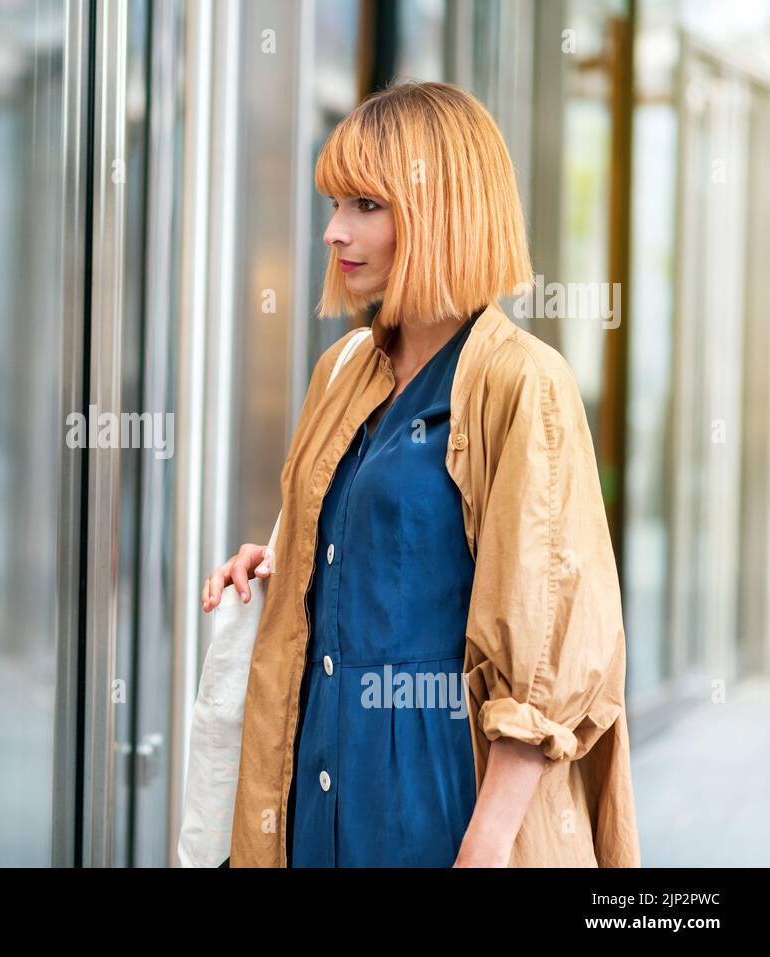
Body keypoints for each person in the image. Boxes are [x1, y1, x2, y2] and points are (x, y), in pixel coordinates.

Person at [201, 81, 641, 868]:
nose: (334, 232)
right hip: (318, 804)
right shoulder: (341, 369)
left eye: (366, 205)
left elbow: (545, 658)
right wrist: (282, 561)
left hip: (437, 813)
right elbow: (379, 557)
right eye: (335, 203)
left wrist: (484, 847)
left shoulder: (522, 384)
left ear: (447, 211)